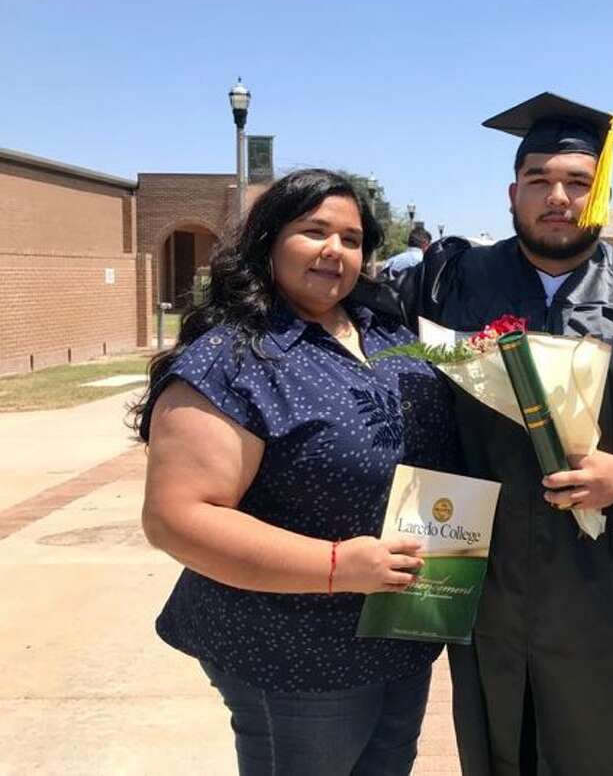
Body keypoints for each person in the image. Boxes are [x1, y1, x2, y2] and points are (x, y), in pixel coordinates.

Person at [355, 91, 613, 775]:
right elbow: (358, 339)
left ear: (602, 195)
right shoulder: (451, 281)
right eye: (539, 182)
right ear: (512, 193)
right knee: (502, 747)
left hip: (607, 591)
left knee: (610, 746)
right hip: (484, 580)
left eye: (578, 183)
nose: (557, 197)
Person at [133, 169, 460, 776]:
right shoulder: (234, 359)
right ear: (269, 241)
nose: (335, 251)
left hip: (400, 631)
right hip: (293, 649)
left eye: (352, 239)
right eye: (314, 232)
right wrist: (337, 566)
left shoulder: (387, 333)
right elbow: (177, 518)